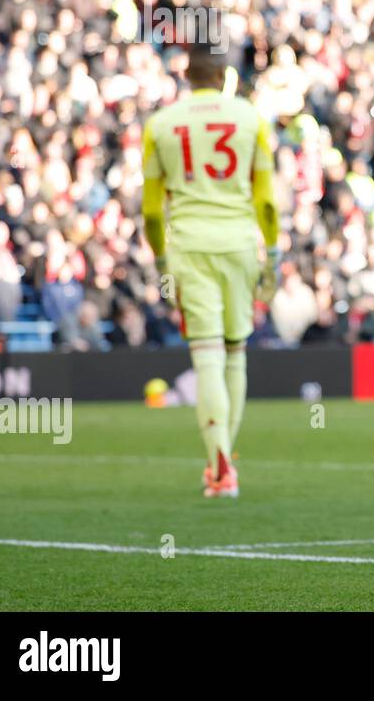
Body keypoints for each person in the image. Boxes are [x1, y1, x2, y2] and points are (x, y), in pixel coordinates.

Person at [140, 44, 280, 498]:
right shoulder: (251, 119)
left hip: (188, 244)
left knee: (206, 355)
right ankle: (223, 462)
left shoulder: (160, 125)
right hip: (239, 242)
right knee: (236, 352)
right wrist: (272, 255)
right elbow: (266, 201)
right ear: (224, 77)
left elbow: (152, 212)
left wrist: (161, 260)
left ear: (187, 78)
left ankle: (220, 469)